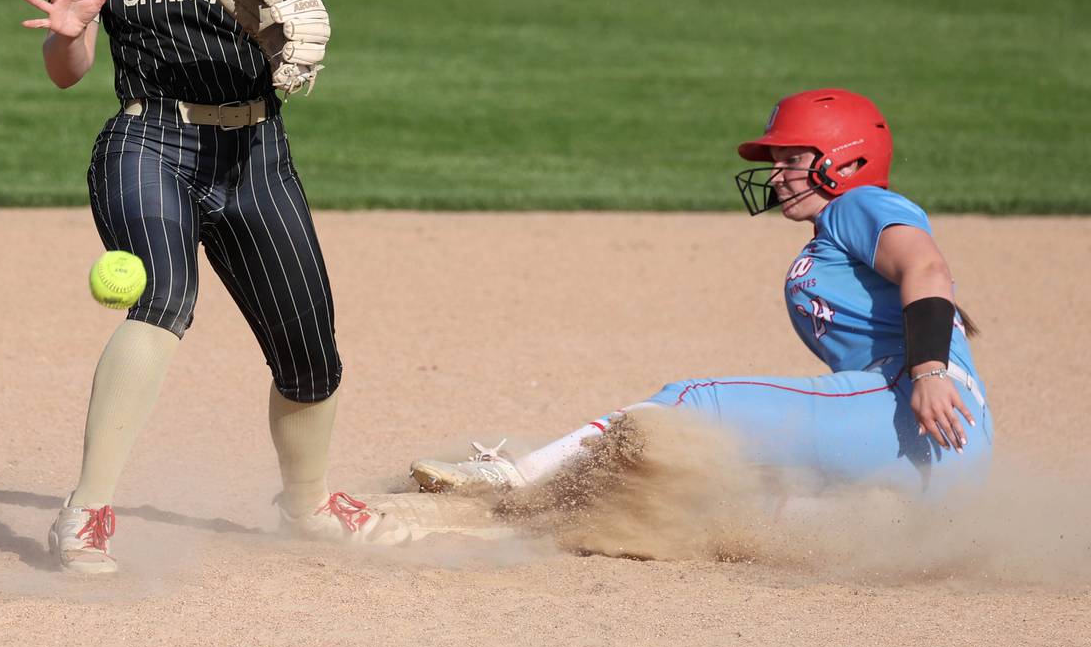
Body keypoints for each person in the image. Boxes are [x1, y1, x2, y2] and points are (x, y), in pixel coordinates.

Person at [20, 0, 407, 574]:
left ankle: (304, 506)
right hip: (147, 136)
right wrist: (69, 33)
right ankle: (85, 511)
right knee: (163, 296)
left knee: (311, 352)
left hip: (254, 147)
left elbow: (298, 43)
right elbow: (68, 75)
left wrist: (288, 44)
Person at [411, 89, 992, 502]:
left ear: (847, 159)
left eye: (793, 158)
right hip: (925, 445)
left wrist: (929, 372)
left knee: (693, 401)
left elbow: (928, 269)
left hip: (910, 405)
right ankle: (578, 509)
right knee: (746, 493)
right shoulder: (838, 228)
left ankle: (514, 482)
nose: (778, 173)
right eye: (777, 161)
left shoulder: (860, 205)